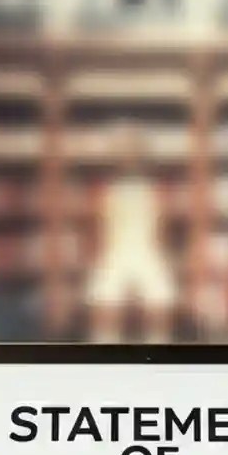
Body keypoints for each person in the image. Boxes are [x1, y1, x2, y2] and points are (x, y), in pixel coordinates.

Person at [86, 121, 177, 341]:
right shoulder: (103, 187)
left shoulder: (157, 188)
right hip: (114, 249)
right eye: (123, 149)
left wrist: (160, 256)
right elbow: (98, 226)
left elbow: (162, 226)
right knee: (104, 301)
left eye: (134, 149)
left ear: (144, 153)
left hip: (148, 248)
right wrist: (100, 256)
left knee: (161, 300)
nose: (129, 154)